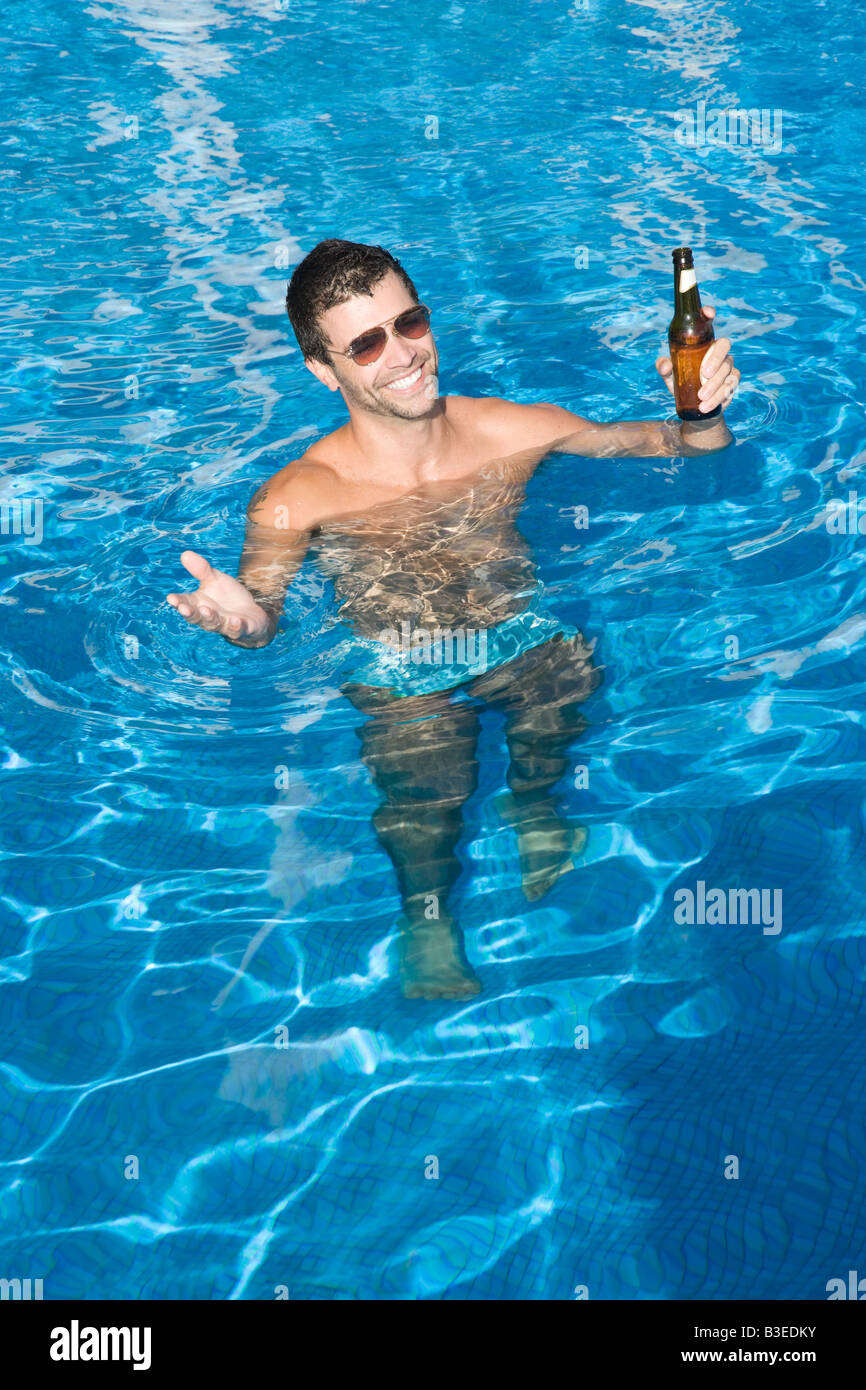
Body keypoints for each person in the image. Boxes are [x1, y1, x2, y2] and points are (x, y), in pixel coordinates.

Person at [166, 239, 740, 999]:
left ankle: (535, 808)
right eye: (367, 343)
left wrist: (701, 409)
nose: (403, 355)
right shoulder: (299, 496)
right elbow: (265, 615)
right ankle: (428, 919)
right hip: (402, 663)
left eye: (410, 323)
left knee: (567, 667)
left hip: (514, 633)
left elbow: (684, 450)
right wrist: (244, 620)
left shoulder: (513, 429)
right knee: (426, 786)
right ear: (323, 369)